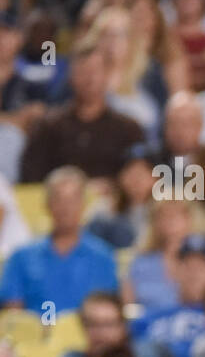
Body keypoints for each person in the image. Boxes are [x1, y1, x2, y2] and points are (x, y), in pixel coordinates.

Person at [0, 167, 119, 314]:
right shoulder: (21, 257)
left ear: (84, 204)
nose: (65, 208)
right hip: (37, 334)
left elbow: (107, 312)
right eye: (59, 199)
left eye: (72, 200)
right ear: (47, 204)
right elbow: (14, 314)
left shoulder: (103, 257)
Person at [19, 45, 144, 183]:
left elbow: (138, 178)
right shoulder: (48, 127)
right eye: (83, 71)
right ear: (70, 76)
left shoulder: (128, 129)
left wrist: (113, 189)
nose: (90, 79)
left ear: (107, 75)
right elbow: (31, 177)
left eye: (96, 71)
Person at [130, 232, 205, 357]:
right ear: (173, 272)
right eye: (187, 266)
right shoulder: (148, 318)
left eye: (203, 267)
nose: (194, 273)